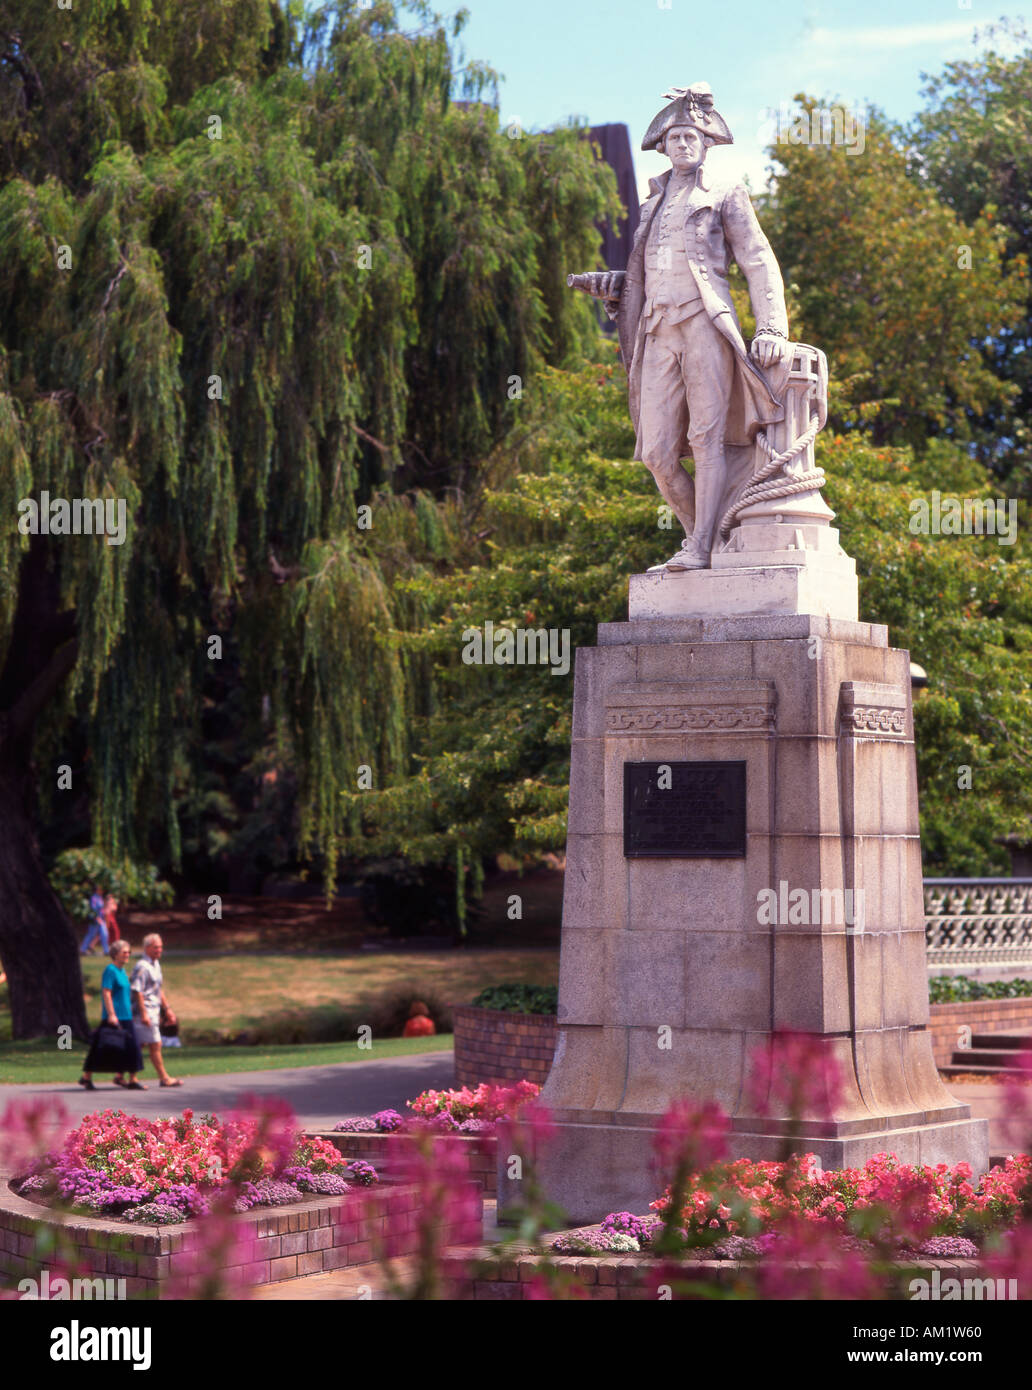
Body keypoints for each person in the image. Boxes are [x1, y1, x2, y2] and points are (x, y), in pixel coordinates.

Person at [572, 81, 791, 571]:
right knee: (655, 451)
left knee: (706, 439)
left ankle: (700, 547)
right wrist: (617, 291)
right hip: (656, 329)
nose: (683, 144)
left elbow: (758, 261)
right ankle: (706, 537)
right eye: (675, 139)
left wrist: (771, 327)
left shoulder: (727, 193)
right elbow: (646, 274)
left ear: (707, 143)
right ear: (663, 147)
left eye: (692, 137)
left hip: (704, 324)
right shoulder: (650, 203)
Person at [79, 939, 145, 1090]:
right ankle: (86, 1077)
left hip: (126, 1015)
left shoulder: (122, 971)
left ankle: (131, 1079)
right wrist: (111, 1014)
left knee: (131, 1047)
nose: (127, 955)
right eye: (124, 952)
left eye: (129, 952)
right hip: (114, 1016)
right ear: (115, 954)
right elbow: (106, 993)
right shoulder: (110, 970)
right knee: (101, 1048)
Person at [130, 933, 181, 1087]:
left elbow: (158, 990)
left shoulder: (156, 965)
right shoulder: (142, 967)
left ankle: (126, 1076)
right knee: (155, 1044)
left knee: (140, 1044)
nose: (159, 950)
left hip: (154, 1010)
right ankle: (164, 1078)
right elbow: (137, 991)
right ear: (147, 948)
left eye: (160, 947)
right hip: (143, 1012)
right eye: (156, 947)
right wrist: (144, 1013)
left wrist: (168, 1009)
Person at [79, 886, 109, 955]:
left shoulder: (100, 897)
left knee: (104, 934)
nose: (102, 891)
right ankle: (82, 950)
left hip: (101, 919)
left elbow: (102, 908)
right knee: (91, 934)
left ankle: (106, 951)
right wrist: (96, 918)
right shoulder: (94, 898)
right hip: (95, 919)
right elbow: (93, 909)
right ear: (97, 890)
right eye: (101, 889)